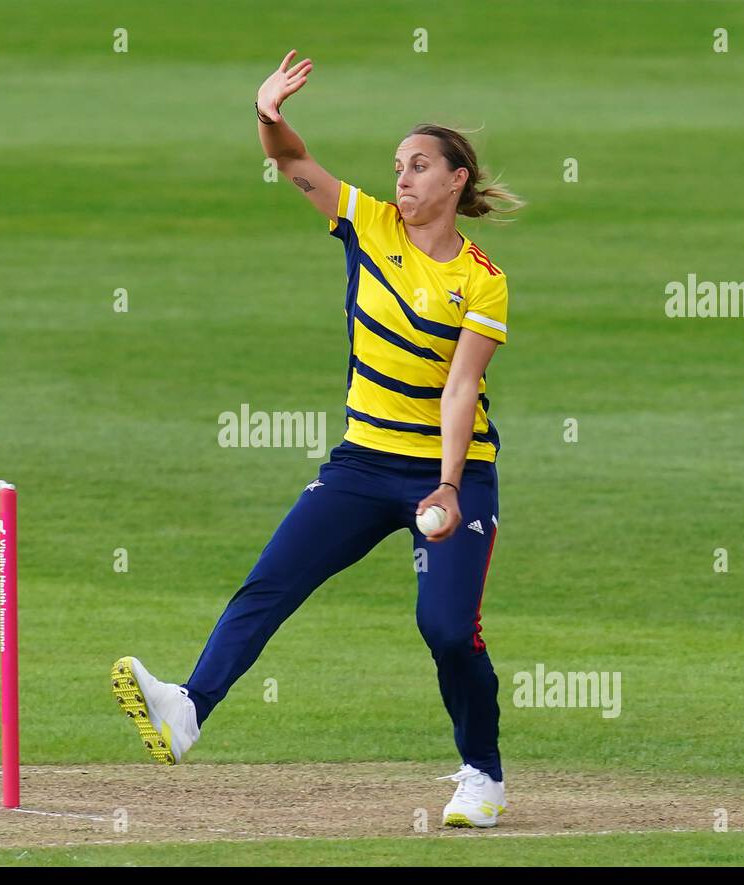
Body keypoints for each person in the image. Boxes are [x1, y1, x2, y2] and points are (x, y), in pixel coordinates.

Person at [112, 49, 523, 828]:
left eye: (418, 166)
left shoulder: (481, 277)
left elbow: (462, 384)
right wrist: (268, 114)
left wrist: (447, 484)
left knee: (445, 628)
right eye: (397, 166)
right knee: (273, 580)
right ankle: (190, 707)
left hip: (451, 475)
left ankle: (483, 777)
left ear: (455, 180)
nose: (401, 179)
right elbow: (293, 160)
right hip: (362, 466)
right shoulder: (366, 223)